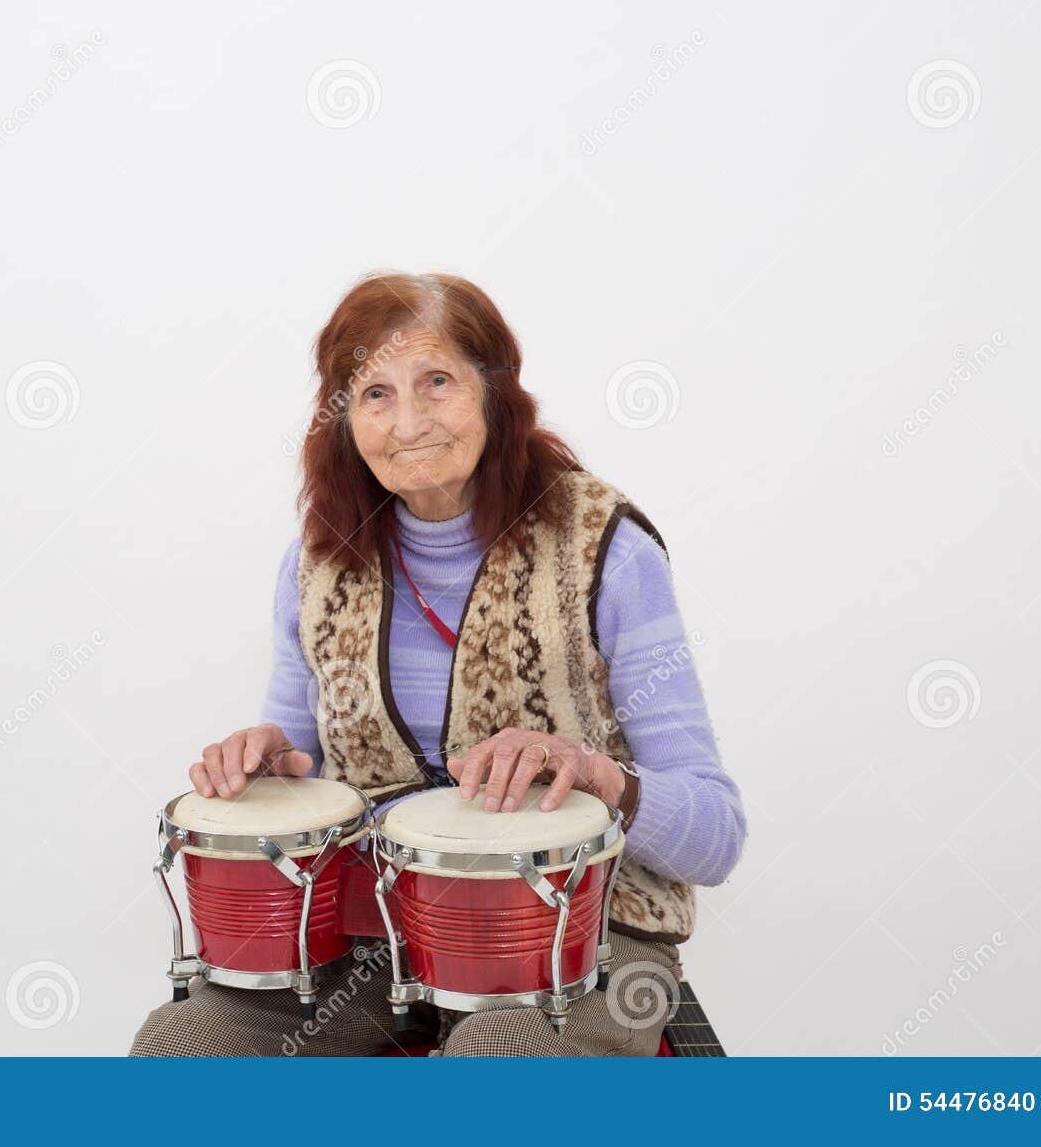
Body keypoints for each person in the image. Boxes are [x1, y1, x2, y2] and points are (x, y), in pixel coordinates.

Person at [130, 272, 746, 1056]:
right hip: (373, 943)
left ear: (496, 394)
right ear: (342, 418)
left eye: (437, 382)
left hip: (582, 943)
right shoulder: (316, 567)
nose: (408, 421)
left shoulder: (607, 552)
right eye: (375, 394)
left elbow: (717, 836)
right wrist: (269, 769)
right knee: (180, 1046)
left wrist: (592, 771)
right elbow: (295, 760)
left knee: (498, 1054)